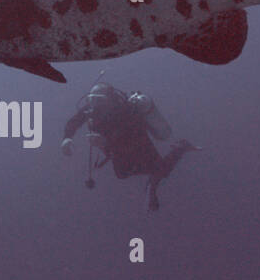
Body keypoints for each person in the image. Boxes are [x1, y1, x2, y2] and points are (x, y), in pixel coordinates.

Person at [61, 81, 196, 211]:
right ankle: (153, 181)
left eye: (100, 100)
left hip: (139, 145)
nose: (95, 105)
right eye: (92, 100)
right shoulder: (91, 110)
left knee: (161, 170)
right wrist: (67, 138)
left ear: (111, 100)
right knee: (122, 174)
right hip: (115, 149)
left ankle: (180, 148)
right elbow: (74, 122)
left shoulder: (126, 112)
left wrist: (107, 144)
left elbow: (133, 141)